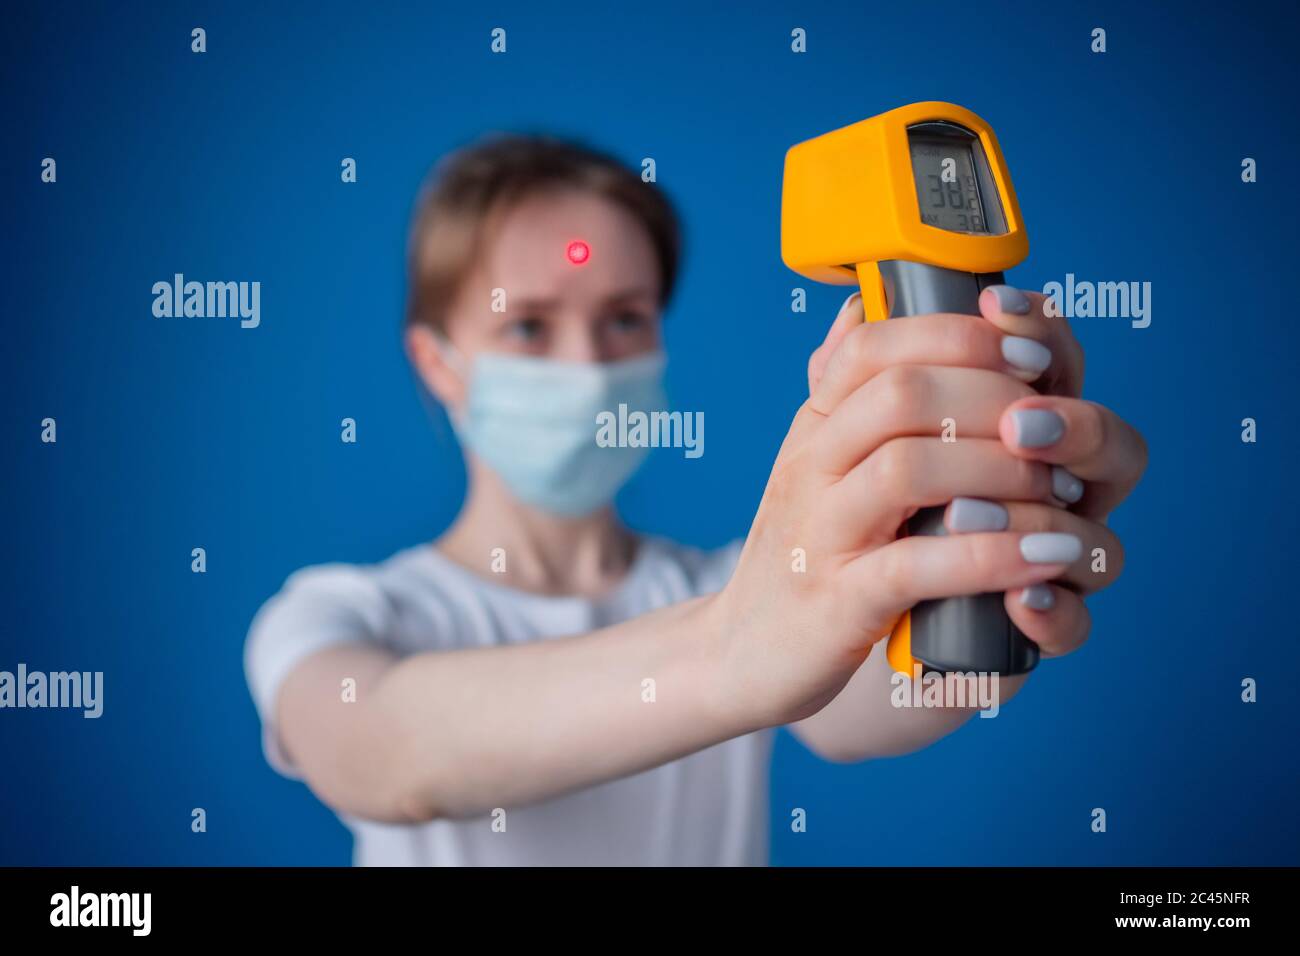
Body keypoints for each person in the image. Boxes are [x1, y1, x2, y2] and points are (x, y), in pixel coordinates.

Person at [244, 133, 1147, 866]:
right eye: (527, 323)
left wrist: (984, 561)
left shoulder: (739, 590)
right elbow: (387, 757)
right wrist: (732, 647)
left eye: (625, 317)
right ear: (437, 360)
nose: (590, 365)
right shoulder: (337, 615)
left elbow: (877, 700)